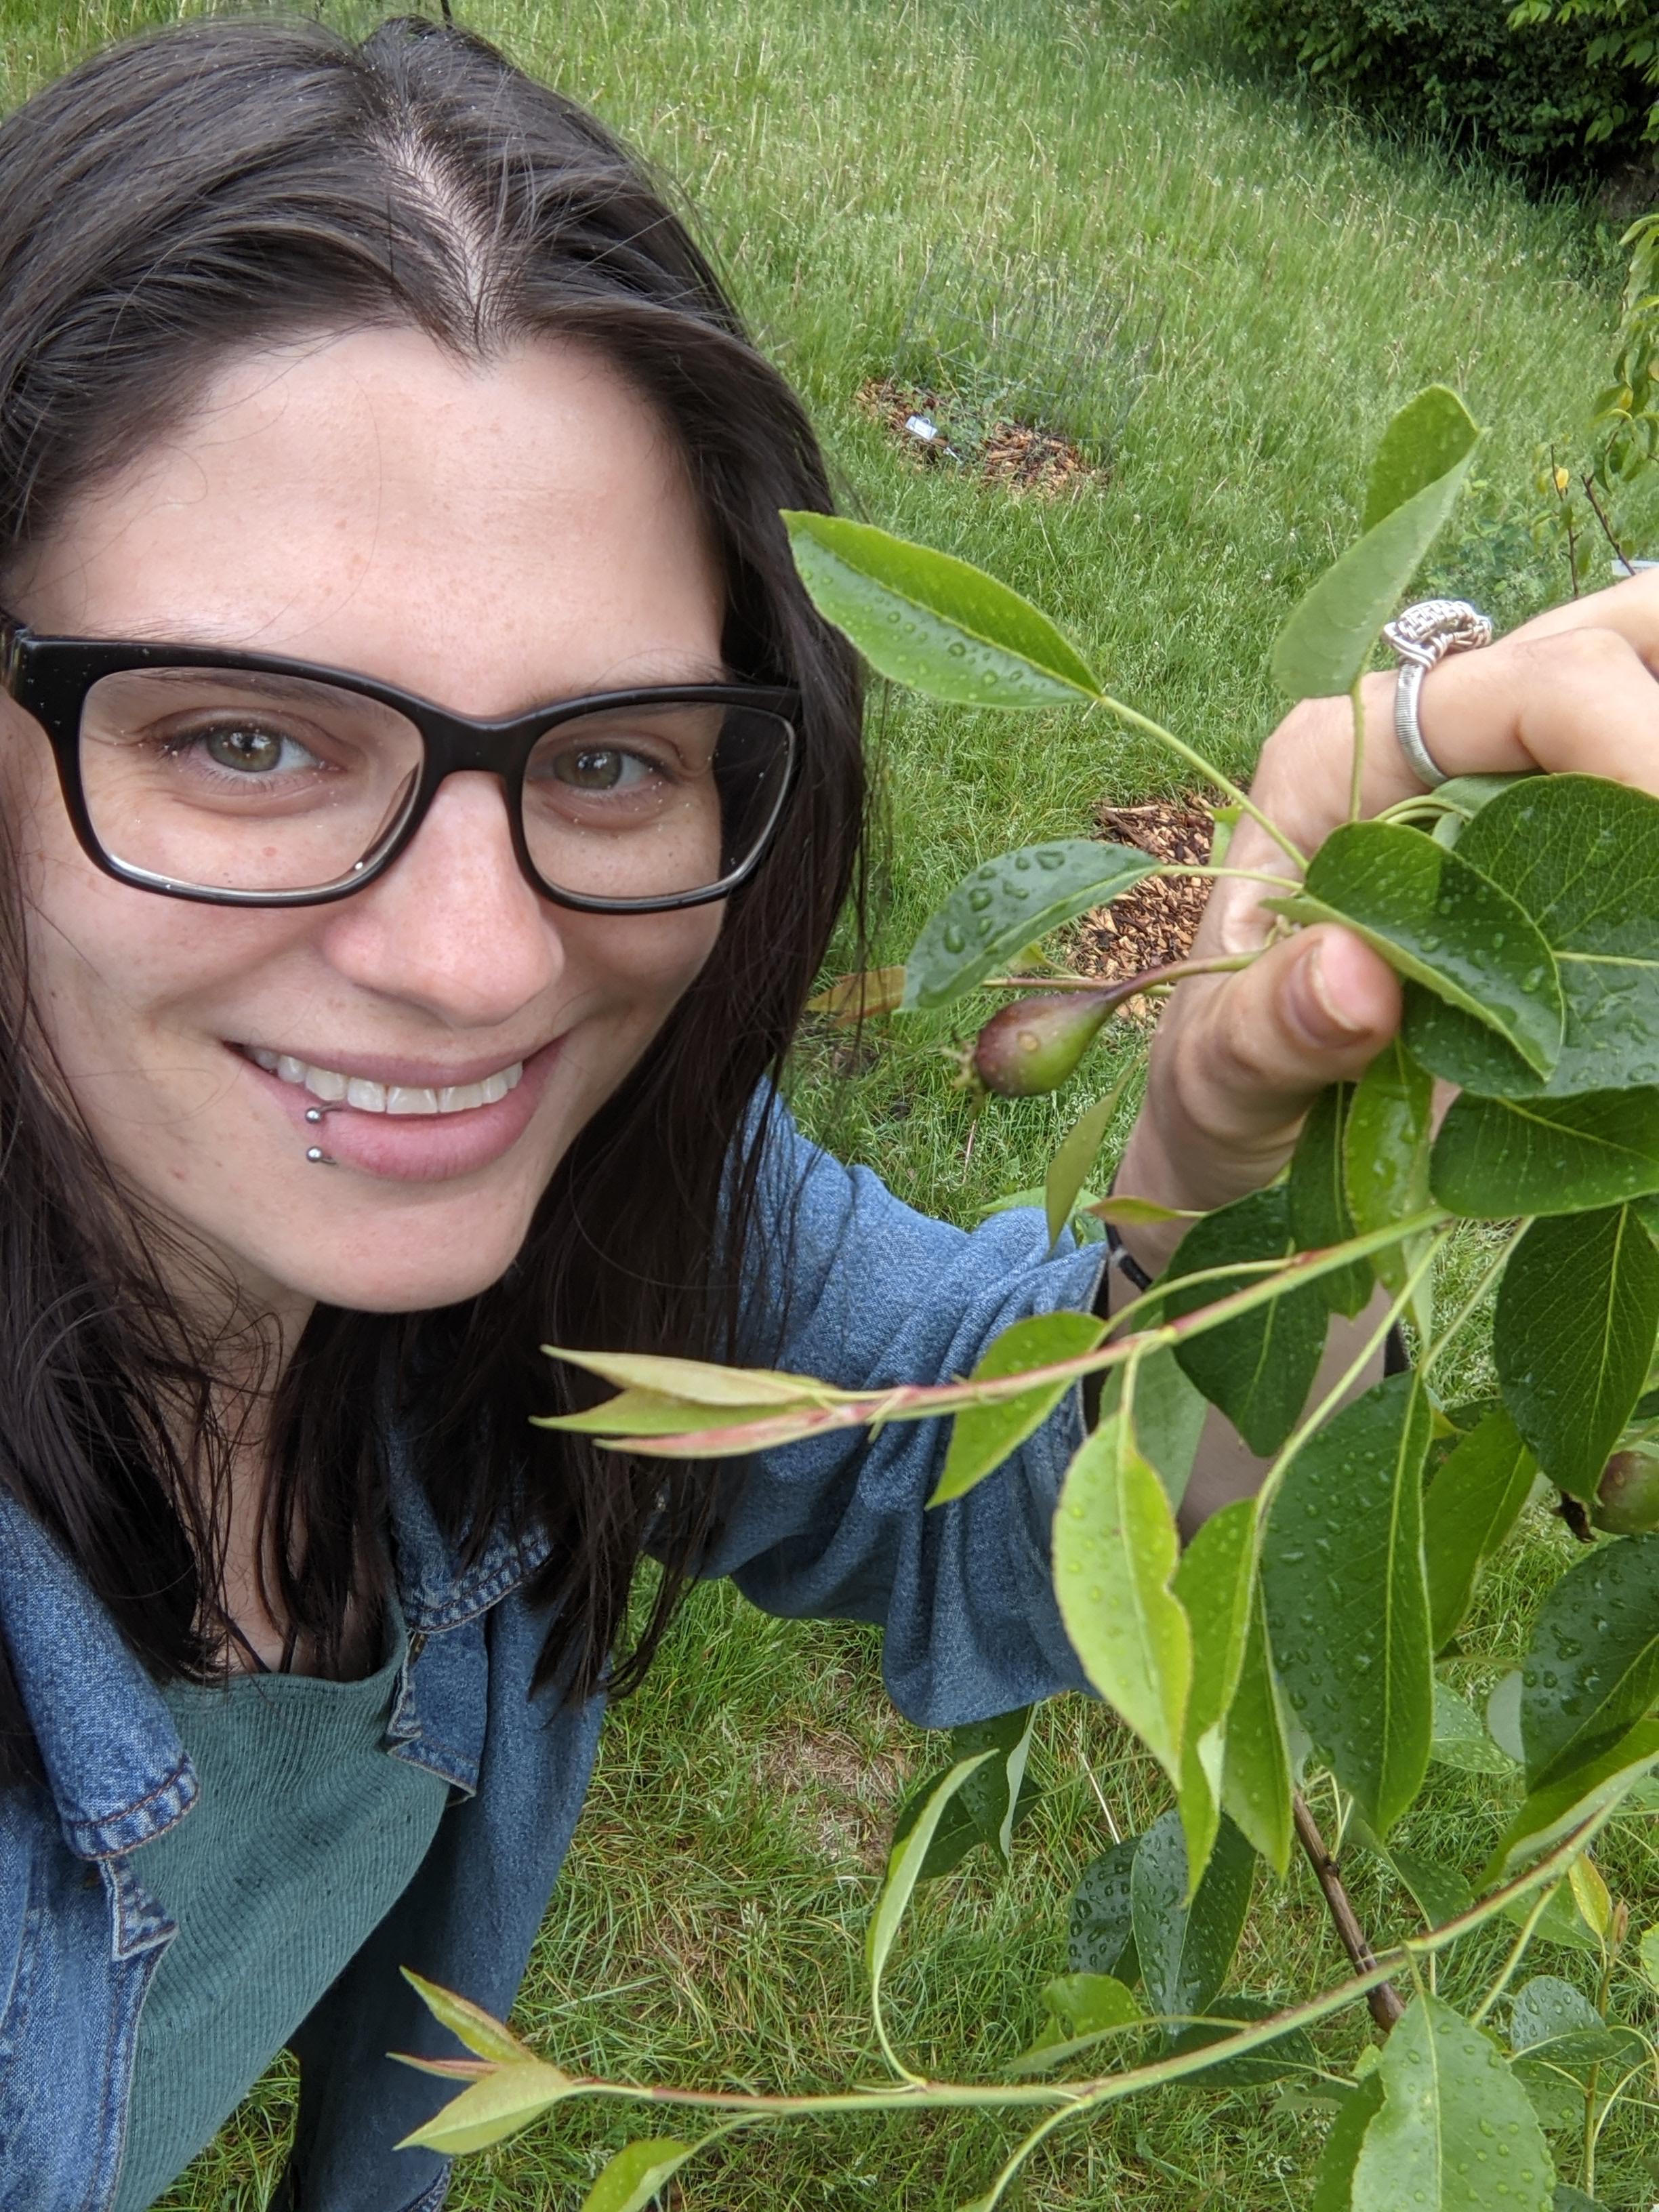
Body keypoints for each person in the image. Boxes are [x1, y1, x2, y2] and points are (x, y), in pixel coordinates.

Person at [0, 14, 1652, 2211]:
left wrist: (1253, 1152)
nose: (478, 966)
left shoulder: (606, 1184)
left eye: (604, 760)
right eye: (241, 742)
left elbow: (1033, 1515)